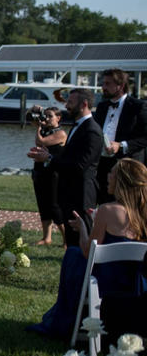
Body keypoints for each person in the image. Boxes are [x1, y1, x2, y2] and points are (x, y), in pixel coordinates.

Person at [27, 158, 147, 340]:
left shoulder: (108, 211)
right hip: (138, 283)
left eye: (112, 173)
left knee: (73, 254)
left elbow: (89, 252)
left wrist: (83, 228)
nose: (108, 176)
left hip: (107, 283)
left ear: (121, 181)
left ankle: (64, 319)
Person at [28, 88, 102, 247]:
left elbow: (80, 165)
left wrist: (48, 158)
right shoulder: (78, 126)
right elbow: (68, 157)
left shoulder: (92, 131)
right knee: (73, 240)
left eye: (70, 102)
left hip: (82, 192)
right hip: (70, 190)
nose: (66, 105)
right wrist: (46, 156)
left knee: (82, 237)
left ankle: (84, 266)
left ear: (84, 104)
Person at [93, 68, 147, 204]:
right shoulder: (102, 106)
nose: (103, 87)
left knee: (127, 208)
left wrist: (121, 145)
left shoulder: (138, 106)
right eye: (103, 83)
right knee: (104, 204)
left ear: (121, 86)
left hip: (127, 167)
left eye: (107, 84)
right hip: (102, 166)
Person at [28, 107, 67, 246]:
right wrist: (34, 109)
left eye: (50, 116)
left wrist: (38, 128)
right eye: (46, 116)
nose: (47, 118)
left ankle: (66, 239)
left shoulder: (61, 133)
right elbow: (29, 117)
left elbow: (41, 142)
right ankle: (47, 237)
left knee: (54, 205)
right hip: (40, 170)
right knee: (43, 204)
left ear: (58, 118)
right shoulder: (45, 128)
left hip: (54, 173)